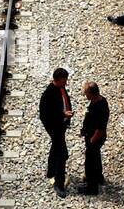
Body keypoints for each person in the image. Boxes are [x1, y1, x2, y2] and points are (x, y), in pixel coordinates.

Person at [38, 67, 73, 196]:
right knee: (62, 154)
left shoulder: (60, 89)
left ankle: (51, 171)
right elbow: (46, 115)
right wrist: (63, 115)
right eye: (64, 80)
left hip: (61, 126)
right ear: (57, 80)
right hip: (55, 127)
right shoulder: (48, 95)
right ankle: (59, 184)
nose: (66, 83)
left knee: (56, 147)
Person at [79, 81, 109, 195]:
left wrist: (92, 141)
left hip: (95, 138)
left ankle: (92, 187)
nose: (85, 95)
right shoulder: (98, 101)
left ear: (92, 93)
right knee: (95, 157)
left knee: (91, 161)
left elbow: (100, 129)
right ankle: (98, 177)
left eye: (86, 93)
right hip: (91, 135)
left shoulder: (100, 108)